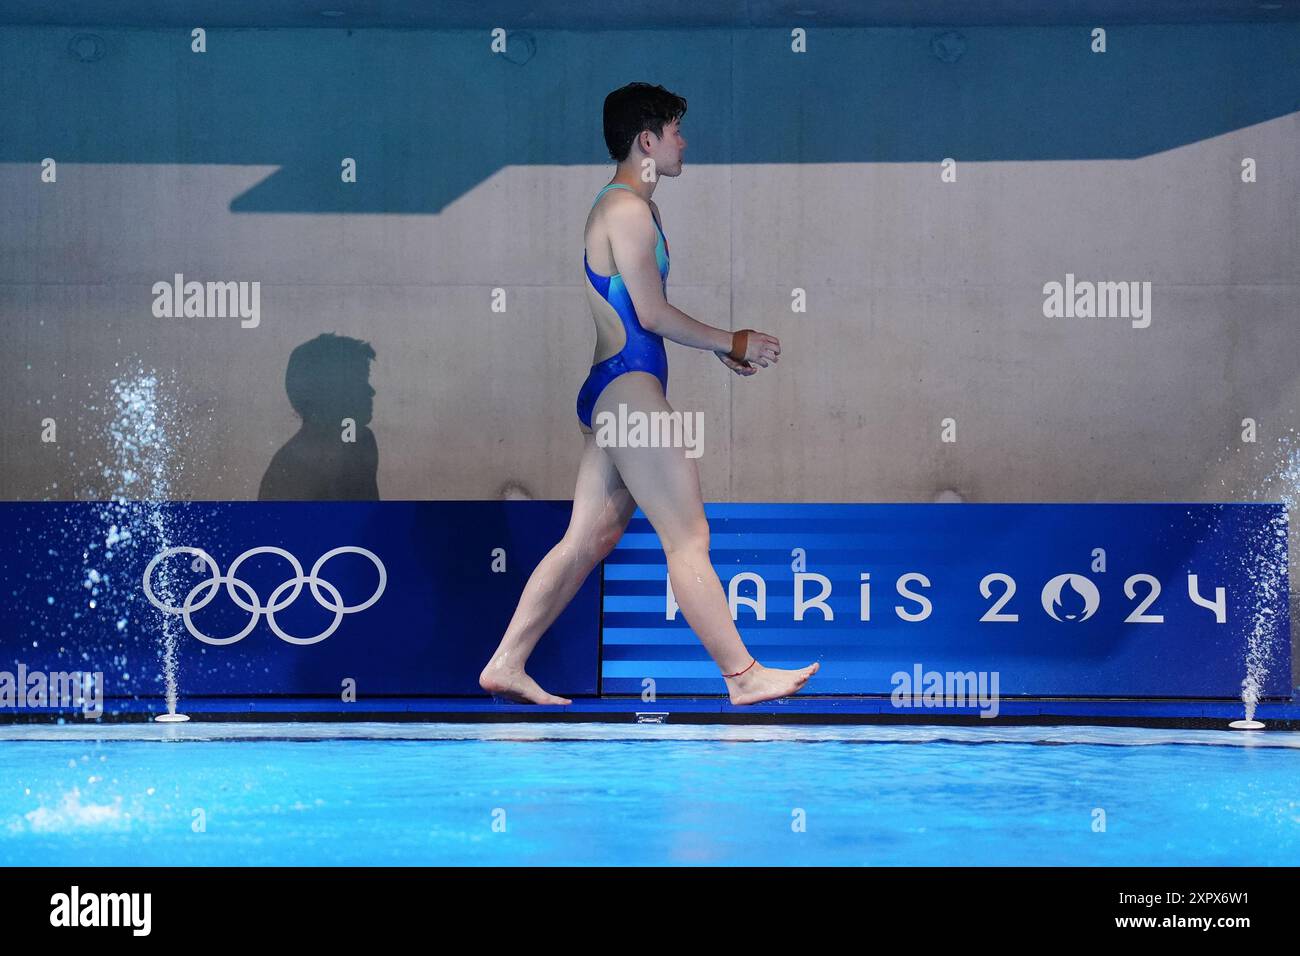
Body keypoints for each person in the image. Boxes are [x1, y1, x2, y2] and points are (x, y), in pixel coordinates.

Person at [480, 82, 819, 705]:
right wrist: (731, 339)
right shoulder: (626, 211)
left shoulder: (635, 207)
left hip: (614, 390)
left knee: (586, 540)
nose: (683, 141)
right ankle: (743, 676)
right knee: (687, 536)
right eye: (675, 130)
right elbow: (653, 314)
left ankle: (507, 661)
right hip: (629, 389)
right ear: (647, 139)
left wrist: (722, 346)